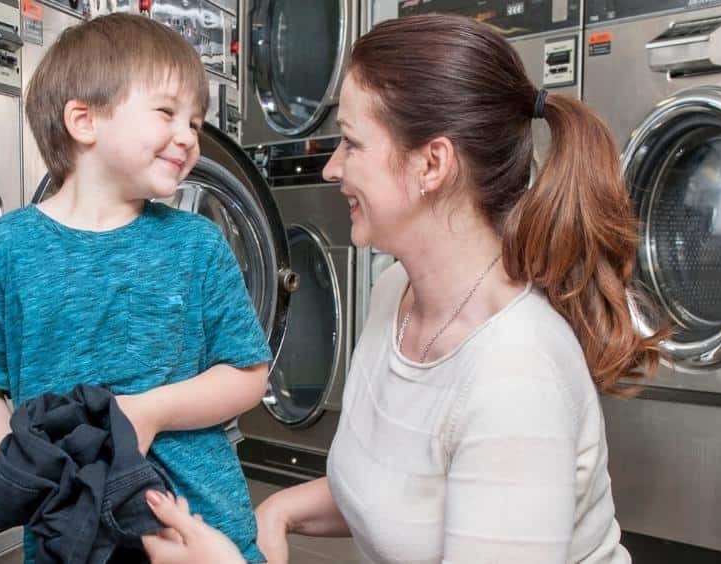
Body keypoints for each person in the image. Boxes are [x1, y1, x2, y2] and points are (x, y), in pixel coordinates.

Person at [143, 14, 663, 564]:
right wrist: (279, 511)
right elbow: (400, 498)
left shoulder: (516, 377)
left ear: (432, 164)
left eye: (350, 143)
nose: (332, 169)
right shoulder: (399, 292)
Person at [0, 13, 275, 563]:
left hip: (201, 530)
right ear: (84, 120)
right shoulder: (1, 252)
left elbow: (247, 376)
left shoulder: (198, 245)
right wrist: (28, 478)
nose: (189, 137)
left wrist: (148, 412)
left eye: (195, 121)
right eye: (168, 112)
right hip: (71, 533)